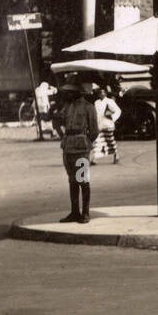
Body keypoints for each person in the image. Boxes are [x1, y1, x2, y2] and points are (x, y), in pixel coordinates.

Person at [58, 82, 99, 223]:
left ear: (78, 92)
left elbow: (94, 131)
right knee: (72, 181)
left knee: (83, 180)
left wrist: (85, 142)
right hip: (68, 148)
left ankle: (85, 213)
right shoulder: (67, 107)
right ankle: (74, 212)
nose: (67, 94)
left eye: (70, 91)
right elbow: (58, 121)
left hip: (81, 149)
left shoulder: (89, 107)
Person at [93, 86, 122, 164]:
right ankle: (94, 159)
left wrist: (112, 117)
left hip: (108, 124)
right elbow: (96, 114)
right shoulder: (96, 102)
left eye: (102, 92)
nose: (101, 94)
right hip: (100, 124)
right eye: (99, 93)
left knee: (110, 141)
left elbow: (118, 111)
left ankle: (116, 155)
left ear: (105, 93)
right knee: (98, 141)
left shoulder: (110, 101)